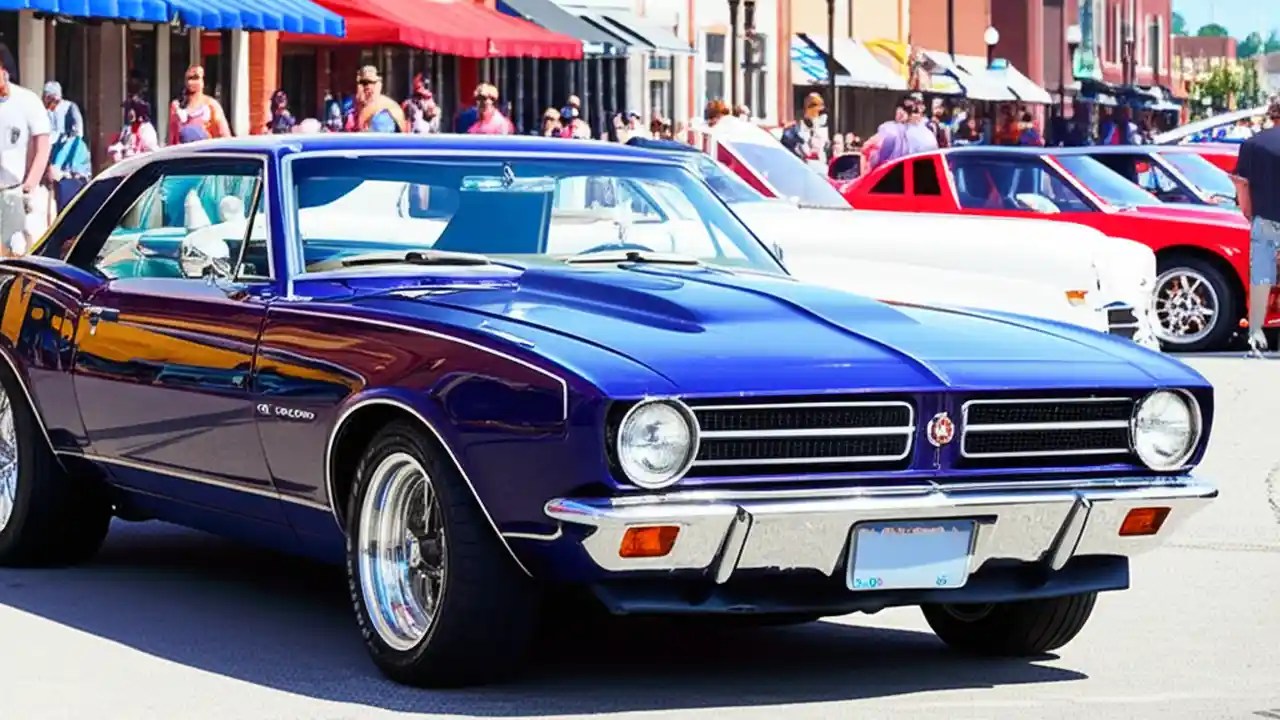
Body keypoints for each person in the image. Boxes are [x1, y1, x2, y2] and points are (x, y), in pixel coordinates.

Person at [1231, 98, 1280, 357]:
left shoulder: (1252, 145)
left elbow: (1242, 186)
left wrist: (1250, 215)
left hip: (1267, 219)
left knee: (1262, 276)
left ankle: (1256, 334)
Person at [0, 43, 51, 258]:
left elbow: (43, 146)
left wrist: (30, 186)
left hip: (16, 191)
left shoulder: (27, 101)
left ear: (4, 70)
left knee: (21, 253)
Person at [169, 65, 230, 144]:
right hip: (182, 153)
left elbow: (224, 136)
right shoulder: (176, 106)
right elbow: (172, 137)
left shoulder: (211, 105)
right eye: (189, 78)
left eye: (196, 78)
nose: (191, 82)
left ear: (203, 81)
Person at [353, 66, 406, 133]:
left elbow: (378, 140)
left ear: (378, 85)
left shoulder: (384, 113)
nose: (367, 87)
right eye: (362, 83)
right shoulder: (354, 108)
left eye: (370, 83)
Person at [108, 96, 159, 163]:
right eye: (128, 110)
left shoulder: (146, 129)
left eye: (132, 109)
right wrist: (116, 149)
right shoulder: (128, 129)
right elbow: (123, 143)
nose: (129, 113)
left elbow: (151, 151)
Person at [42, 81, 83, 147]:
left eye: (50, 97)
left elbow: (78, 131)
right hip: (49, 147)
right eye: (46, 98)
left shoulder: (70, 107)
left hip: (65, 147)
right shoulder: (44, 110)